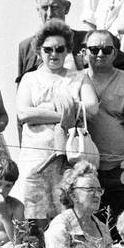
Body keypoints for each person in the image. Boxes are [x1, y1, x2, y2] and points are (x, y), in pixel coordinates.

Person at [15, 22, 99, 226]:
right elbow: (24, 113)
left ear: (67, 50)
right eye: (48, 49)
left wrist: (42, 110)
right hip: (36, 158)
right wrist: (62, 112)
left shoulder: (79, 78)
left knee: (69, 213)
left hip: (69, 159)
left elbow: (92, 108)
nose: (54, 54)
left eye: (60, 49)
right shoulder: (30, 78)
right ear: (38, 51)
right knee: (34, 215)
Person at [83, 29, 124, 230]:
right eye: (94, 49)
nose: (100, 54)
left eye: (106, 49)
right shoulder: (76, 80)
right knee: (90, 225)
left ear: (115, 53)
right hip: (87, 169)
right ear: (85, 52)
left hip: (123, 167)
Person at [17, 0, 124, 84]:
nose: (49, 14)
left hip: (85, 110)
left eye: (55, 7)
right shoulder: (26, 46)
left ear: (67, 8)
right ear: (38, 10)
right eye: (44, 8)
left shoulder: (87, 40)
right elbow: (21, 86)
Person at [0, 159, 25, 248]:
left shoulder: (16, 206)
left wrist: (4, 215)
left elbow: (18, 242)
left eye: (8, 186)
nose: (1, 190)